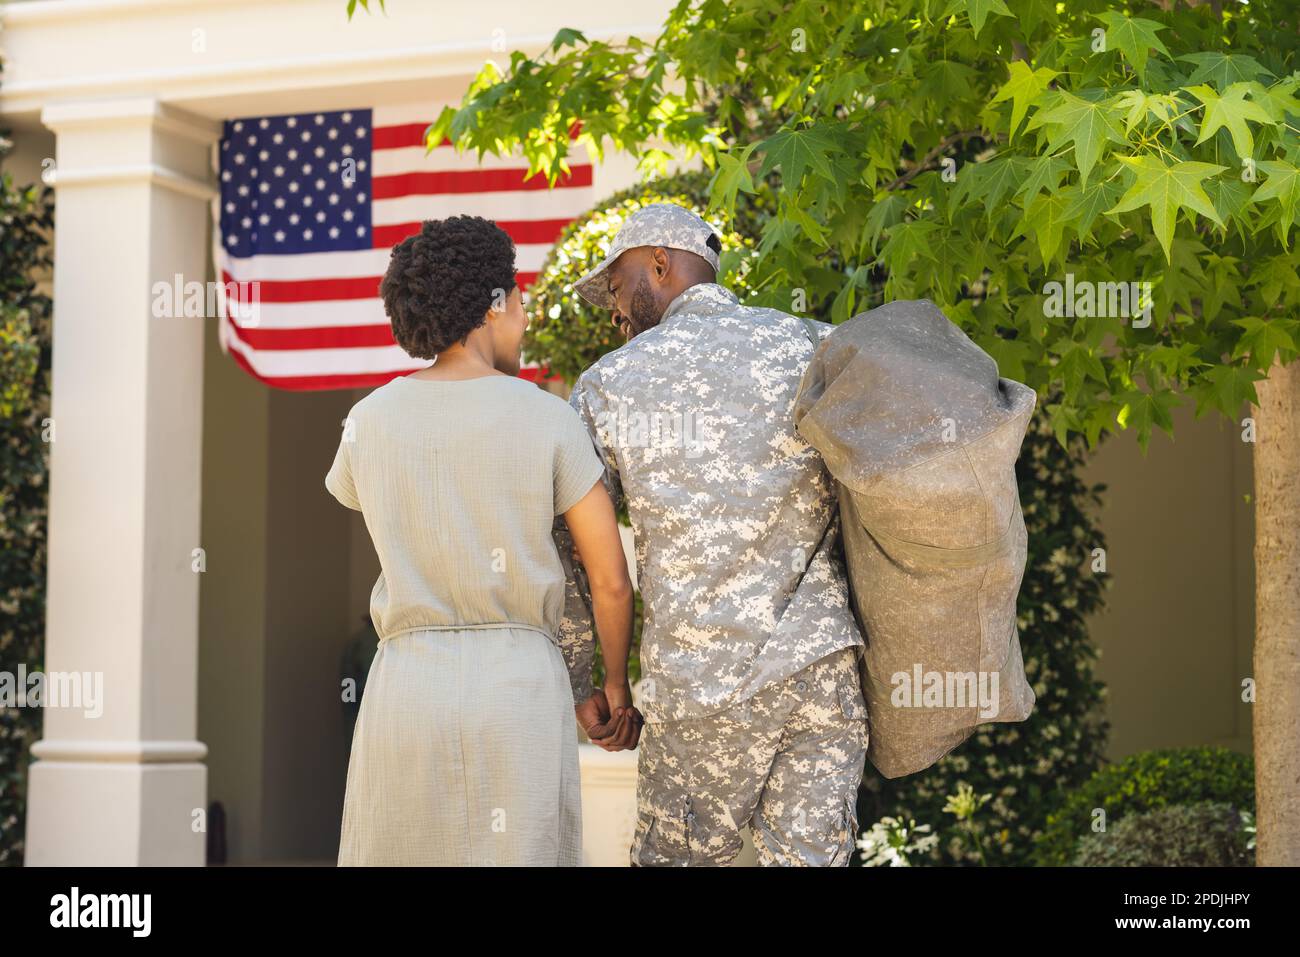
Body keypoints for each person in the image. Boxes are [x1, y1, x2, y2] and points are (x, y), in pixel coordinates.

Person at [558, 203, 868, 866]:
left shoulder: (609, 384)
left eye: (616, 287)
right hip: (819, 672)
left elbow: (578, 551)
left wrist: (596, 683)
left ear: (661, 264)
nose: (613, 311)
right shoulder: (817, 344)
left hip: (700, 691)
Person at [326, 215, 640, 867]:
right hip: (515, 687)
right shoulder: (547, 418)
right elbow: (609, 579)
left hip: (405, 687)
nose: (522, 319)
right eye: (519, 300)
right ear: (494, 307)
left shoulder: (366, 421)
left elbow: (366, 499)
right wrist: (613, 687)